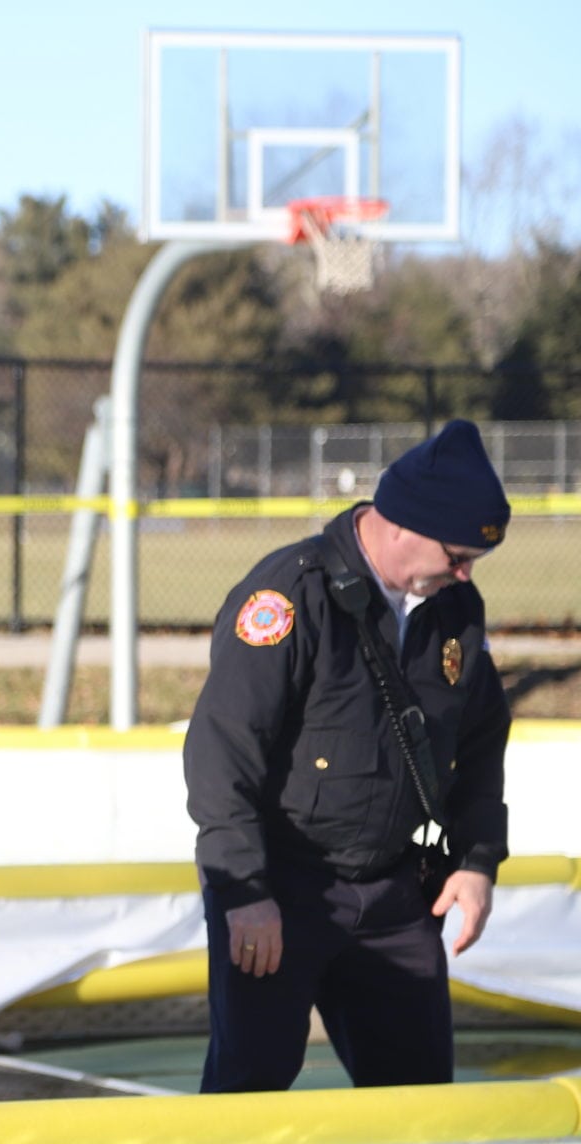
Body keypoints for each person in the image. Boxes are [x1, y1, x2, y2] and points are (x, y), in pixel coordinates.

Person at [184, 419, 513, 1093]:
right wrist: (245, 890)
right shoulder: (289, 595)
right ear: (401, 525)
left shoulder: (455, 609)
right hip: (281, 887)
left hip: (395, 891)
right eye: (456, 555)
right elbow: (223, 749)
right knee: (249, 1097)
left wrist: (478, 861)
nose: (464, 573)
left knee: (420, 1103)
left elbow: (481, 742)